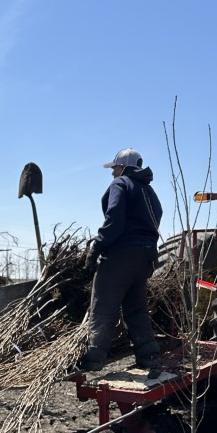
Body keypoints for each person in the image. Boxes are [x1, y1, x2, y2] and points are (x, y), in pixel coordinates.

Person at [79, 148, 163, 372]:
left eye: (115, 168)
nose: (113, 173)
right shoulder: (148, 190)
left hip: (121, 254)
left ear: (123, 167)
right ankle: (148, 353)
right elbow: (157, 217)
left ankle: (94, 356)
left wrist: (97, 246)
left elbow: (114, 217)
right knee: (136, 306)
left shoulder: (121, 184)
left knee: (103, 303)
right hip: (146, 256)